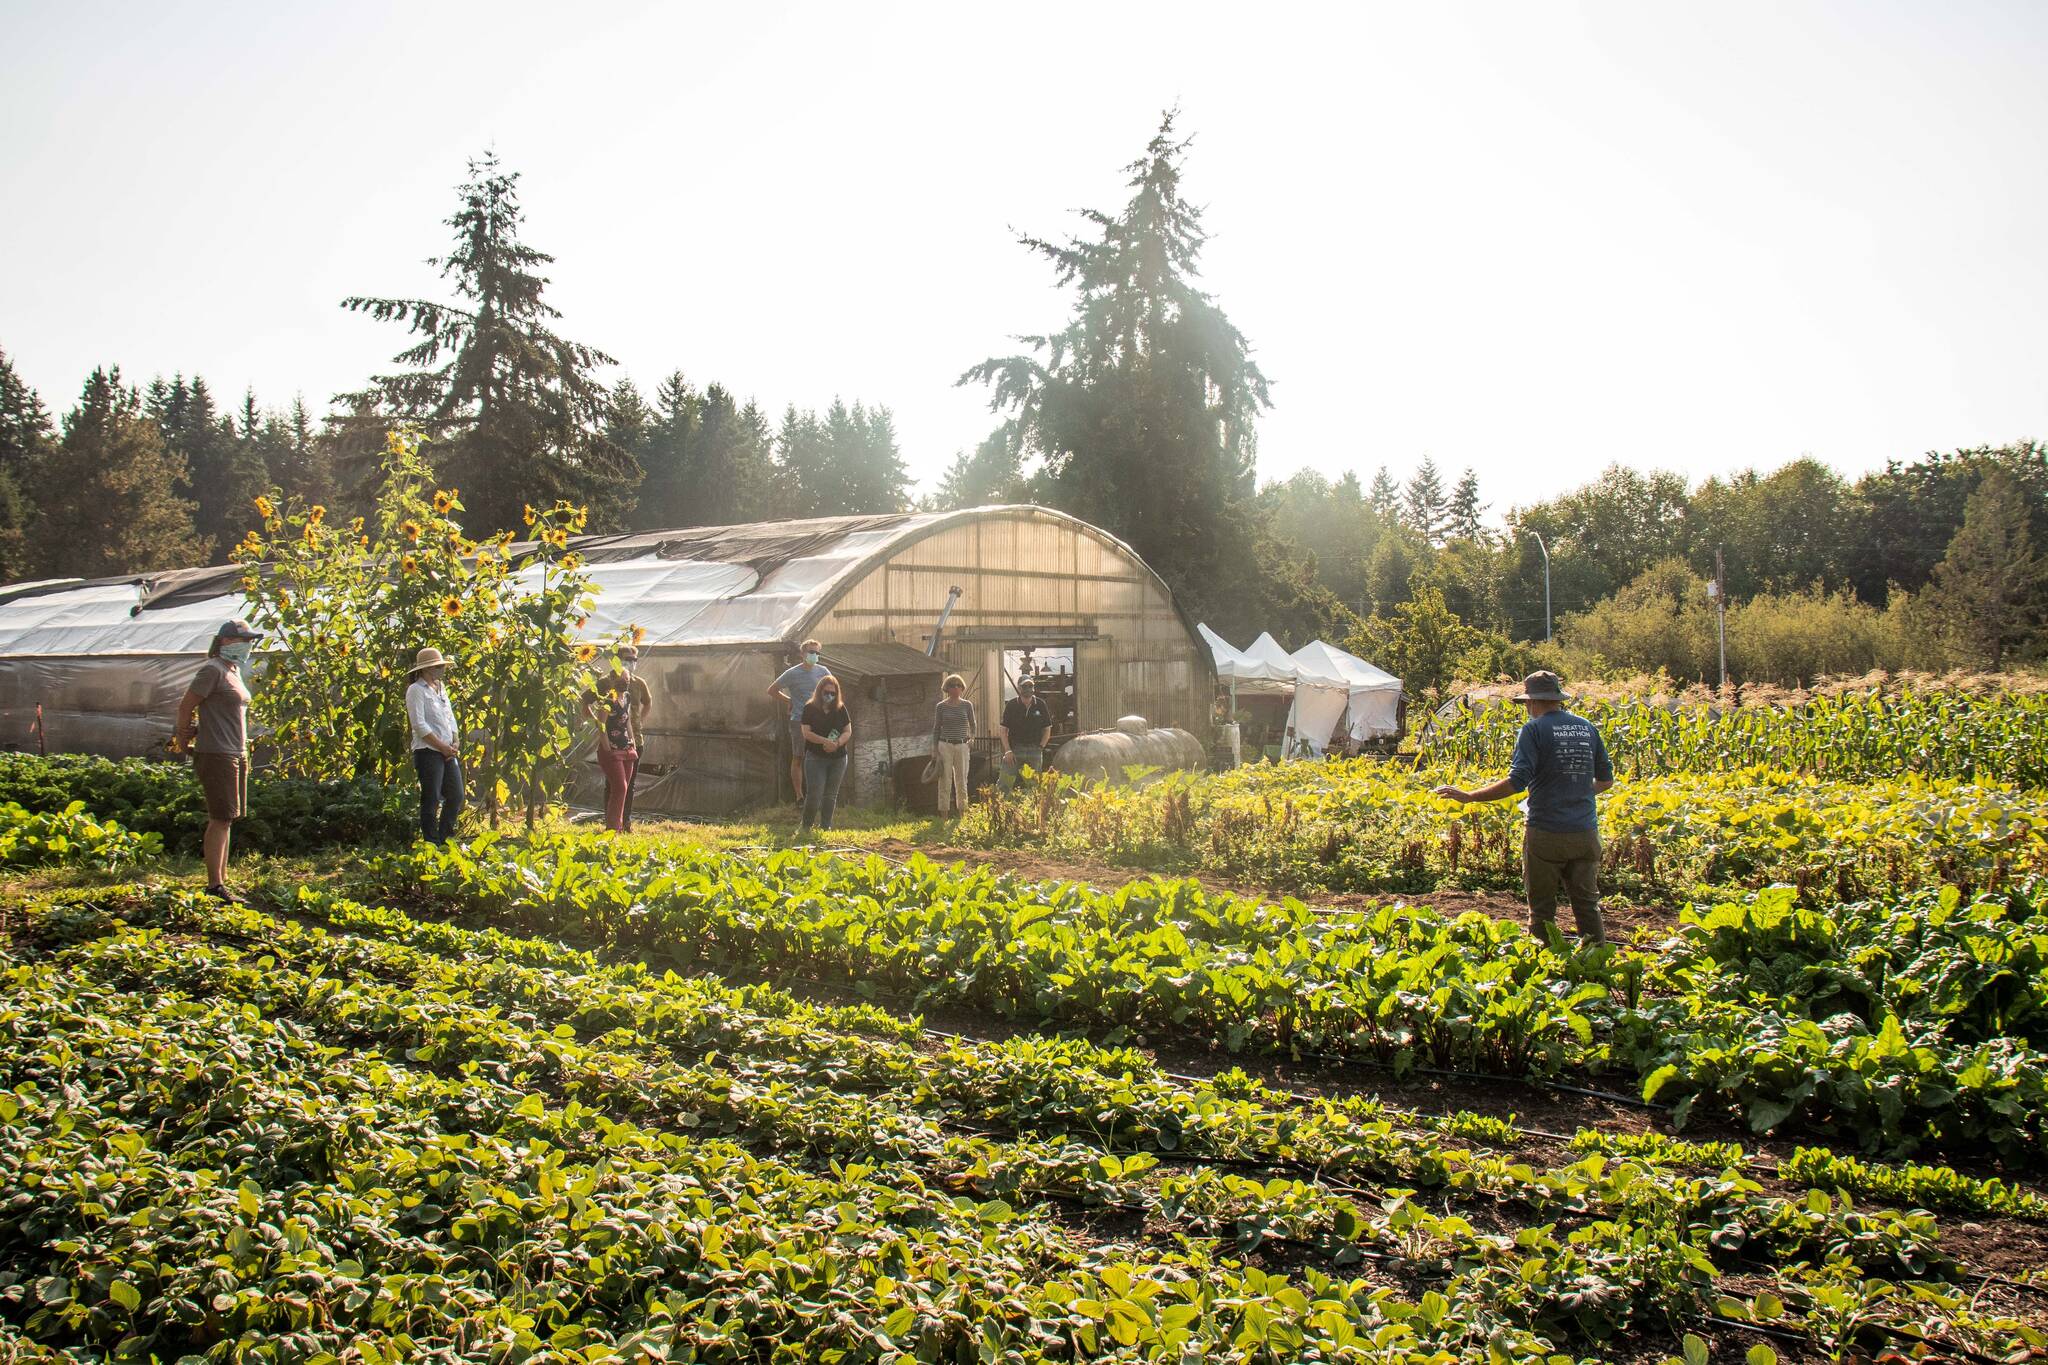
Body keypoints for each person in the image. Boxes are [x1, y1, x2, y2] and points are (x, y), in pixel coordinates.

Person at [1432, 670, 1614, 945]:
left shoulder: (1534, 729)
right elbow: (1606, 781)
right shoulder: (1587, 727)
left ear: (1531, 702)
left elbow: (1518, 782)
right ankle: (1596, 967)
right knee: (1587, 906)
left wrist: (1469, 796)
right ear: (1556, 698)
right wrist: (1574, 793)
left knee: (1541, 910)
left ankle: (1546, 972)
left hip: (1546, 832)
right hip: (1585, 832)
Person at [173, 618, 263, 902]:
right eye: (243, 640)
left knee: (229, 818)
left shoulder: (233, 670)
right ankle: (214, 885)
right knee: (220, 817)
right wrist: (183, 739)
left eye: (250, 641)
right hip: (216, 752)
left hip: (236, 750)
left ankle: (221, 881)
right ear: (225, 642)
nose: (248, 646)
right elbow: (186, 706)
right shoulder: (212, 670)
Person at [584, 644, 653, 833]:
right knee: (614, 785)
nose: (630, 663)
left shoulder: (637, 683)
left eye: (633, 659)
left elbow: (648, 703)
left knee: (629, 786)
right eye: (626, 658)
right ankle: (612, 823)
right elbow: (585, 700)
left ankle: (625, 822)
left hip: (634, 741)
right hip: (613, 743)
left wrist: (638, 723)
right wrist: (599, 722)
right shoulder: (606, 683)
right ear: (616, 659)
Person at [404, 647, 463, 845]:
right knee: (431, 798)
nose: (442, 670)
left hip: (447, 750)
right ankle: (431, 842)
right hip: (428, 751)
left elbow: (449, 716)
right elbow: (419, 725)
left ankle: (444, 839)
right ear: (427, 669)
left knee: (456, 795)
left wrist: (455, 739)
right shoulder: (415, 690)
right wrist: (442, 746)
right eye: (438, 666)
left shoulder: (440, 687)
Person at [769, 638, 831, 803]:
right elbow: (772, 690)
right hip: (799, 721)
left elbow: (833, 691)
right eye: (812, 652)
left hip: (820, 721)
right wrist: (788, 700)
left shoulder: (823, 671)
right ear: (803, 654)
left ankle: (820, 794)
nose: (815, 655)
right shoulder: (792, 673)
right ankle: (799, 796)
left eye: (817, 653)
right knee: (798, 757)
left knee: (821, 757)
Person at [796, 673, 853, 836]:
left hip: (838, 758)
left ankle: (825, 826)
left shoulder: (840, 708)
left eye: (833, 693)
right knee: (815, 793)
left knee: (830, 795)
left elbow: (848, 730)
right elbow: (806, 732)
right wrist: (824, 741)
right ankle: (806, 826)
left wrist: (836, 743)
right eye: (826, 692)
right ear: (819, 691)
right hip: (816, 757)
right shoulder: (810, 708)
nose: (829, 696)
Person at [931, 673, 976, 816]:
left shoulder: (967, 705)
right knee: (945, 780)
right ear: (947, 689)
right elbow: (936, 728)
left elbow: (973, 724)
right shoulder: (941, 706)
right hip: (945, 745)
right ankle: (944, 814)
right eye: (952, 685)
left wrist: (972, 738)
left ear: (962, 688)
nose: (956, 688)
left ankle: (962, 813)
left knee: (962, 780)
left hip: (962, 745)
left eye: (958, 685)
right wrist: (934, 749)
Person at [999, 674, 1053, 784]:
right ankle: (1001, 801)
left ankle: (1032, 801)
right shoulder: (1011, 705)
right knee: (1005, 782)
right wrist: (1008, 750)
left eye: (1030, 686)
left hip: (1034, 750)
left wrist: (1040, 747)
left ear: (1033, 688)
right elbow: (1003, 730)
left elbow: (1047, 729)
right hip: (1015, 750)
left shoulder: (1041, 704)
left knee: (1034, 785)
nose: (1028, 689)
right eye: (1024, 686)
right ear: (1019, 688)